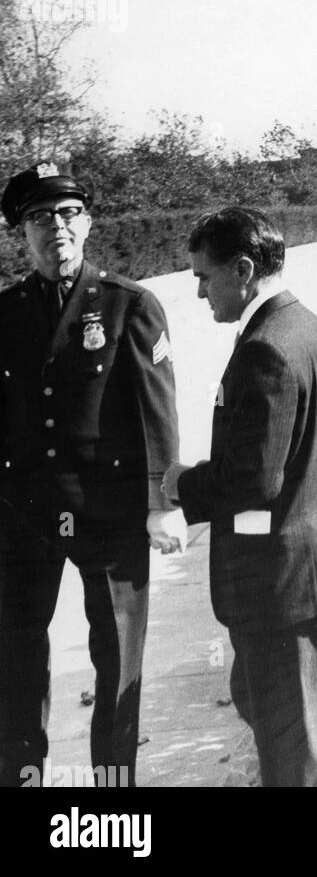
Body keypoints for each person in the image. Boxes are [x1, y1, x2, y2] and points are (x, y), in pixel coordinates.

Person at [161, 207, 317, 787]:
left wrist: (181, 483)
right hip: (308, 572)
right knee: (303, 726)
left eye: (205, 277)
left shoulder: (265, 348)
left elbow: (255, 480)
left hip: (280, 582)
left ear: (244, 269)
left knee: (294, 748)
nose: (200, 292)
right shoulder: (308, 327)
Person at [0, 163, 182, 788]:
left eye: (70, 213)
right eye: (40, 217)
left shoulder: (130, 303)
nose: (57, 227)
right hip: (22, 516)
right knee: (16, 660)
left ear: (90, 221)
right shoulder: (6, 313)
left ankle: (110, 802)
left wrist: (163, 502)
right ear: (20, 233)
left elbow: (157, 411)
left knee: (118, 661)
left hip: (108, 512)